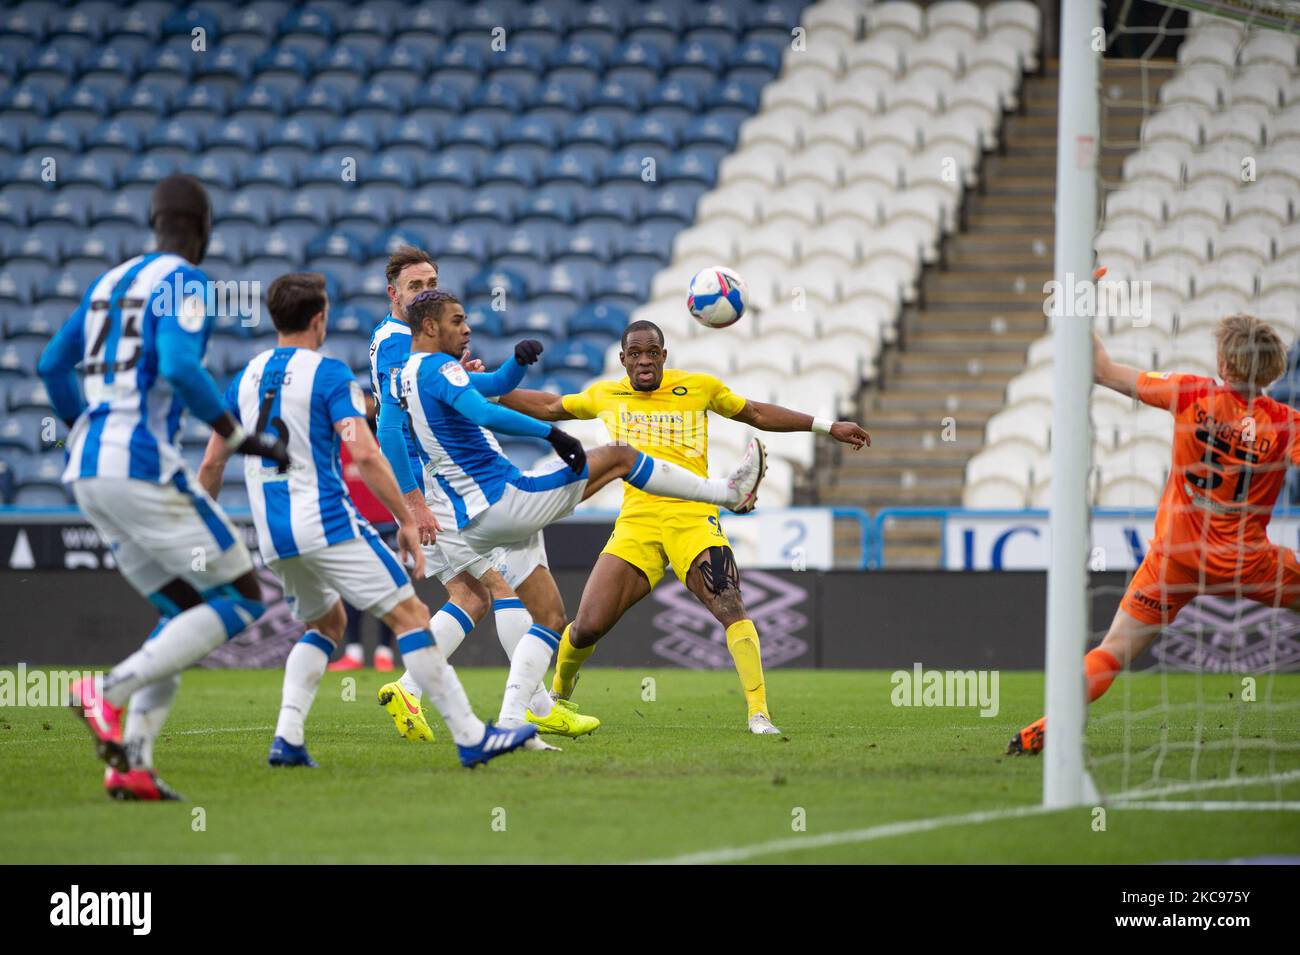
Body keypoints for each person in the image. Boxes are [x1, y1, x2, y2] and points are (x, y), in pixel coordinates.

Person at [197, 273, 536, 768]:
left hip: (272, 533)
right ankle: (471, 737)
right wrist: (405, 514)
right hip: (327, 523)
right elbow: (366, 452)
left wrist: (205, 531)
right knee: (414, 618)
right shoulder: (330, 374)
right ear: (319, 319)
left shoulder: (243, 379)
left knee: (327, 623)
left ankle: (288, 738)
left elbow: (210, 463)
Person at [399, 289, 767, 732]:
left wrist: (514, 365)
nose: (468, 328)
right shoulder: (439, 369)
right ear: (431, 327)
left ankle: (521, 723)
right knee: (619, 457)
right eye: (458, 321)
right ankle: (728, 493)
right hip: (506, 500)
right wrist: (551, 436)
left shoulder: (408, 374)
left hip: (472, 521)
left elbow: (492, 389)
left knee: (550, 617)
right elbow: (485, 410)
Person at [37, 174, 288, 800]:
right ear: (202, 230)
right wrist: (236, 435)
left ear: (155, 222)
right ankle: (106, 691)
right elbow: (178, 367)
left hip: (89, 475)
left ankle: (133, 766)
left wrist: (84, 430)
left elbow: (49, 364)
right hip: (142, 468)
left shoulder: (106, 283)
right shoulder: (186, 281)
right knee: (245, 597)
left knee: (182, 612)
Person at [501, 319, 871, 733]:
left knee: (729, 604)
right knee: (586, 626)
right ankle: (558, 698)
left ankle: (758, 713)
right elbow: (551, 407)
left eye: (652, 353)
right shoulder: (605, 394)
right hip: (637, 524)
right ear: (622, 360)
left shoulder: (698, 387)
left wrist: (826, 426)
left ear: (664, 355)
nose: (644, 361)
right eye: (635, 354)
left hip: (693, 517)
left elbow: (756, 412)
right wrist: (491, 388)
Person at [1009, 316, 1299, 754]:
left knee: (1112, 651)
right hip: (1248, 561)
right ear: (1275, 369)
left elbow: (1102, 369)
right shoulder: (1286, 423)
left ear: (1223, 360)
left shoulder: (1190, 392)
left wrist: (1077, 306)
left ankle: (1048, 727)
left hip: (1176, 558)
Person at [369, 245, 599, 743]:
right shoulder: (398, 343)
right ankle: (532, 710)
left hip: (445, 479)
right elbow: (389, 425)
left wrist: (462, 375)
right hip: (451, 482)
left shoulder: (404, 340)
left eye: (432, 280)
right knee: (507, 588)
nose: (426, 290)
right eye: (415, 285)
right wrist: (413, 502)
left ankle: (413, 688)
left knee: (471, 595)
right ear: (393, 294)